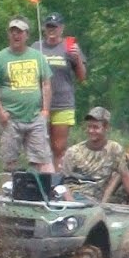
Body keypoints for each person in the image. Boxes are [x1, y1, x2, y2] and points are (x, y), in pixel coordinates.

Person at [0, 16, 53, 172]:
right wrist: (0, 111)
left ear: (27, 35)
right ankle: (11, 191)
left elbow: (46, 84)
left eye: (20, 32)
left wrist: (45, 111)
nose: (16, 35)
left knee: (41, 159)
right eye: (13, 31)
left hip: (35, 118)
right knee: (9, 161)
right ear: (9, 34)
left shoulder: (38, 57)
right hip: (11, 119)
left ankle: (41, 191)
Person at [59, 107, 129, 217]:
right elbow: (61, 183)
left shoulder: (114, 149)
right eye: (89, 127)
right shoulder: (73, 152)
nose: (91, 131)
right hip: (70, 199)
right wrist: (71, 204)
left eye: (95, 127)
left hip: (93, 203)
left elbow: (126, 177)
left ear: (106, 127)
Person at [33, 12, 86, 164]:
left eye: (55, 27)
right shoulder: (37, 47)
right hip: (39, 103)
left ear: (61, 28)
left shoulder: (69, 47)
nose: (52, 30)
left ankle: (56, 182)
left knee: (59, 147)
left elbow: (82, 77)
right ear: (44, 28)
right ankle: (40, 180)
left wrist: (77, 59)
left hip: (63, 102)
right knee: (39, 147)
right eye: (49, 26)